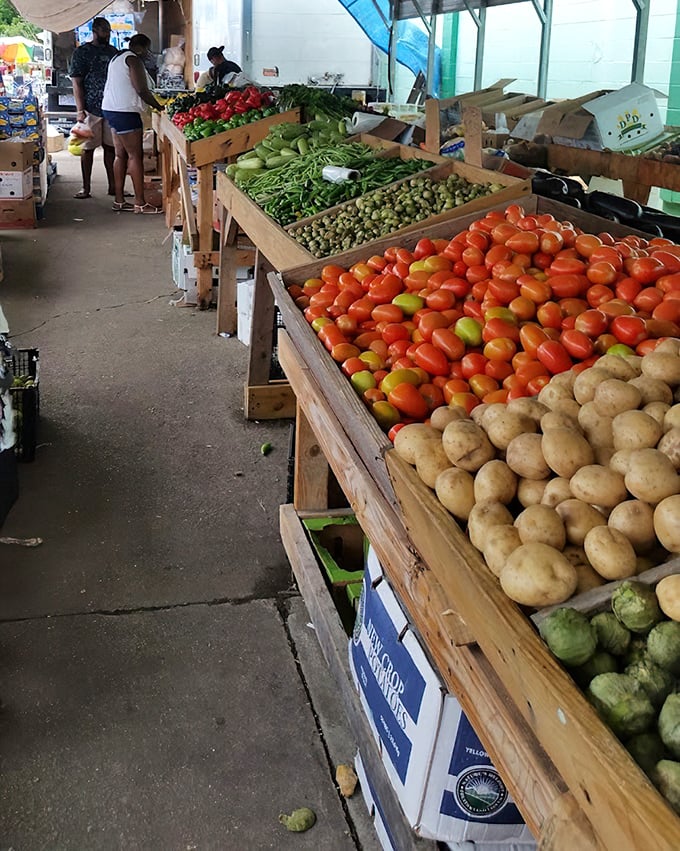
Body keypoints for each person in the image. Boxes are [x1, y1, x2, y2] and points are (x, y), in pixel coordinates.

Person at [102, 34, 165, 214]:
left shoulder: (117, 57)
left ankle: (119, 201)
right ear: (142, 48)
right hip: (125, 112)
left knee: (120, 155)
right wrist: (159, 107)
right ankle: (140, 203)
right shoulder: (133, 60)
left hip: (111, 109)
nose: (147, 53)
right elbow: (141, 89)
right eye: (147, 49)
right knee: (135, 156)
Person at [69, 17, 117, 199]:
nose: (107, 34)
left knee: (111, 148)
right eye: (104, 31)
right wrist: (80, 110)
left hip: (111, 107)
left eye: (109, 31)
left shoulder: (113, 52)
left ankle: (114, 187)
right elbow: (76, 82)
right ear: (95, 31)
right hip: (90, 108)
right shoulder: (82, 52)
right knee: (87, 148)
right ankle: (85, 188)